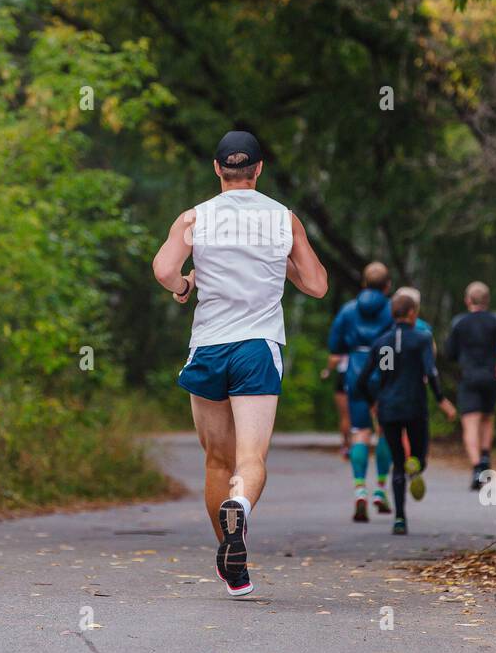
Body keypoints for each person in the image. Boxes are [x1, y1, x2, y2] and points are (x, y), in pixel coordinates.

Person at [153, 130, 328, 597]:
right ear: (259, 169)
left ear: (217, 170)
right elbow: (316, 284)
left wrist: (186, 287)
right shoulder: (283, 219)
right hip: (256, 348)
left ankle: (233, 563)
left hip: (208, 348)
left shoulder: (195, 218)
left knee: (216, 461)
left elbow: (165, 270)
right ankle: (241, 508)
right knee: (250, 459)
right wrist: (285, 262)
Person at [355, 293, 456, 535]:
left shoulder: (383, 343)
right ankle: (416, 465)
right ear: (413, 313)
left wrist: (373, 402)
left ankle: (399, 518)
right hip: (414, 407)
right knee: (419, 456)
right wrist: (442, 400)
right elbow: (431, 372)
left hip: (388, 408)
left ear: (392, 314)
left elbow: (364, 379)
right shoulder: (422, 339)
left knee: (396, 463)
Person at [328, 261, 395, 521]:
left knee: (360, 432)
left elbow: (335, 346)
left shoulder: (348, 311)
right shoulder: (393, 309)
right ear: (388, 285)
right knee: (385, 430)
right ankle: (380, 488)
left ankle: (359, 490)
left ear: (364, 284)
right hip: (386, 371)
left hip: (356, 372)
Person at [444, 281, 496, 490]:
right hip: (491, 376)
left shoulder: (459, 323)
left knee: (470, 423)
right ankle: (486, 458)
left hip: (469, 376)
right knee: (487, 419)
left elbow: (449, 352)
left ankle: (477, 467)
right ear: (487, 300)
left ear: (467, 300)